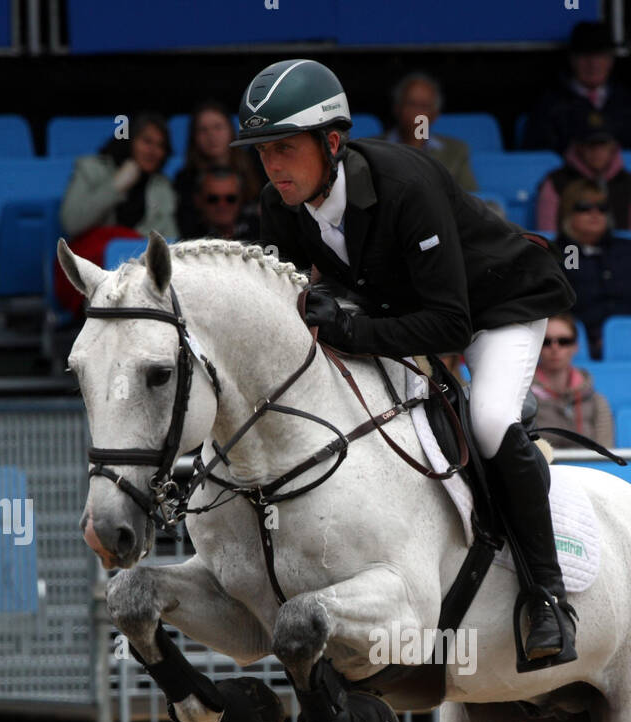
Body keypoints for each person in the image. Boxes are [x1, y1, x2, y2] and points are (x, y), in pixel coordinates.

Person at [233, 58, 578, 664]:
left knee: (491, 421)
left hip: (494, 306)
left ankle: (547, 599)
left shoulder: (405, 185)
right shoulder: (278, 205)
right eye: (263, 152)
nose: (273, 166)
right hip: (401, 311)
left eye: (284, 148)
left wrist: (350, 325)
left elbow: (450, 323)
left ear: (331, 142)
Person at [557, 177, 631, 358]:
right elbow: (558, 315)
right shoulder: (562, 255)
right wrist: (592, 340)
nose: (595, 213)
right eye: (584, 207)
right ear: (568, 213)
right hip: (581, 350)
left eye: (602, 208)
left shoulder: (630, 250)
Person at [60, 111, 177, 243]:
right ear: (130, 140)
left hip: (139, 259)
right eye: (147, 141)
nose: (153, 151)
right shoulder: (91, 169)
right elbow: (71, 223)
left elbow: (170, 238)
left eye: (160, 145)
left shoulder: (162, 185)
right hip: (90, 260)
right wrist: (115, 187)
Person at [523, 20, 631, 155]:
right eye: (585, 56)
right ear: (572, 59)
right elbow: (540, 157)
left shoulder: (625, 102)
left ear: (611, 60)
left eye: (600, 55)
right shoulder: (550, 104)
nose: (593, 64)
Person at [535, 124, 631, 237]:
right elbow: (547, 236)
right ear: (579, 147)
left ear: (613, 147)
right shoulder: (557, 181)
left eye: (603, 145)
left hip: (620, 251)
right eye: (591, 145)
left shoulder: (628, 182)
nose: (597, 152)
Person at [173, 100, 265, 239]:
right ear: (194, 137)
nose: (211, 136)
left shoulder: (258, 167)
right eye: (203, 130)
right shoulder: (185, 179)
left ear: (230, 130)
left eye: (218, 127)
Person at [531, 312, 614, 448]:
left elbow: (605, 455)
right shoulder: (522, 399)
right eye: (546, 342)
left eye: (564, 341)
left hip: (585, 469)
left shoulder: (597, 402)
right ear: (537, 346)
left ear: (575, 346)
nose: (555, 347)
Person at [385, 72, 478, 193]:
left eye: (424, 106)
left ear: (435, 114)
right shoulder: (370, 148)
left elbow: (470, 201)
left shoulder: (456, 152)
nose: (417, 112)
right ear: (397, 108)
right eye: (411, 104)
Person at [191, 167, 260, 242]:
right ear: (198, 200)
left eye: (230, 199)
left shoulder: (262, 231)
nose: (222, 205)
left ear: (242, 198)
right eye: (213, 199)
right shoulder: (188, 239)